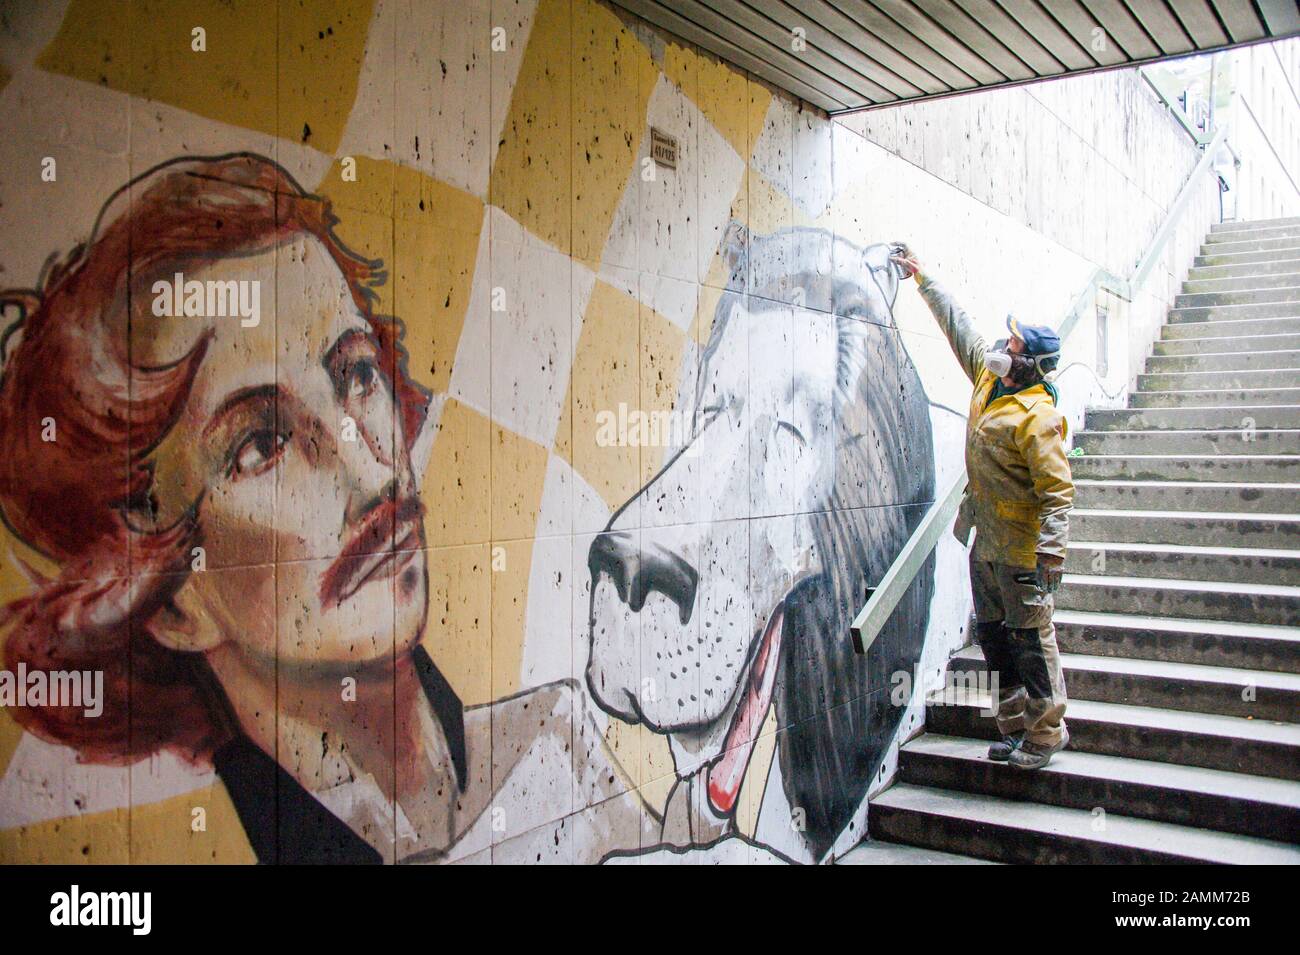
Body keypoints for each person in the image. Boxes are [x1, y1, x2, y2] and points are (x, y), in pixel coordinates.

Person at [890, 243, 1074, 770]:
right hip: (985, 545)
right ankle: (1016, 730)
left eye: (1013, 342)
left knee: (1032, 642)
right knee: (995, 640)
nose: (1001, 343)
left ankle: (1047, 733)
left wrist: (1050, 558)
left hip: (1020, 553)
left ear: (1030, 362)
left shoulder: (1037, 417)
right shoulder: (990, 382)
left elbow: (1058, 492)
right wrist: (923, 277)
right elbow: (960, 327)